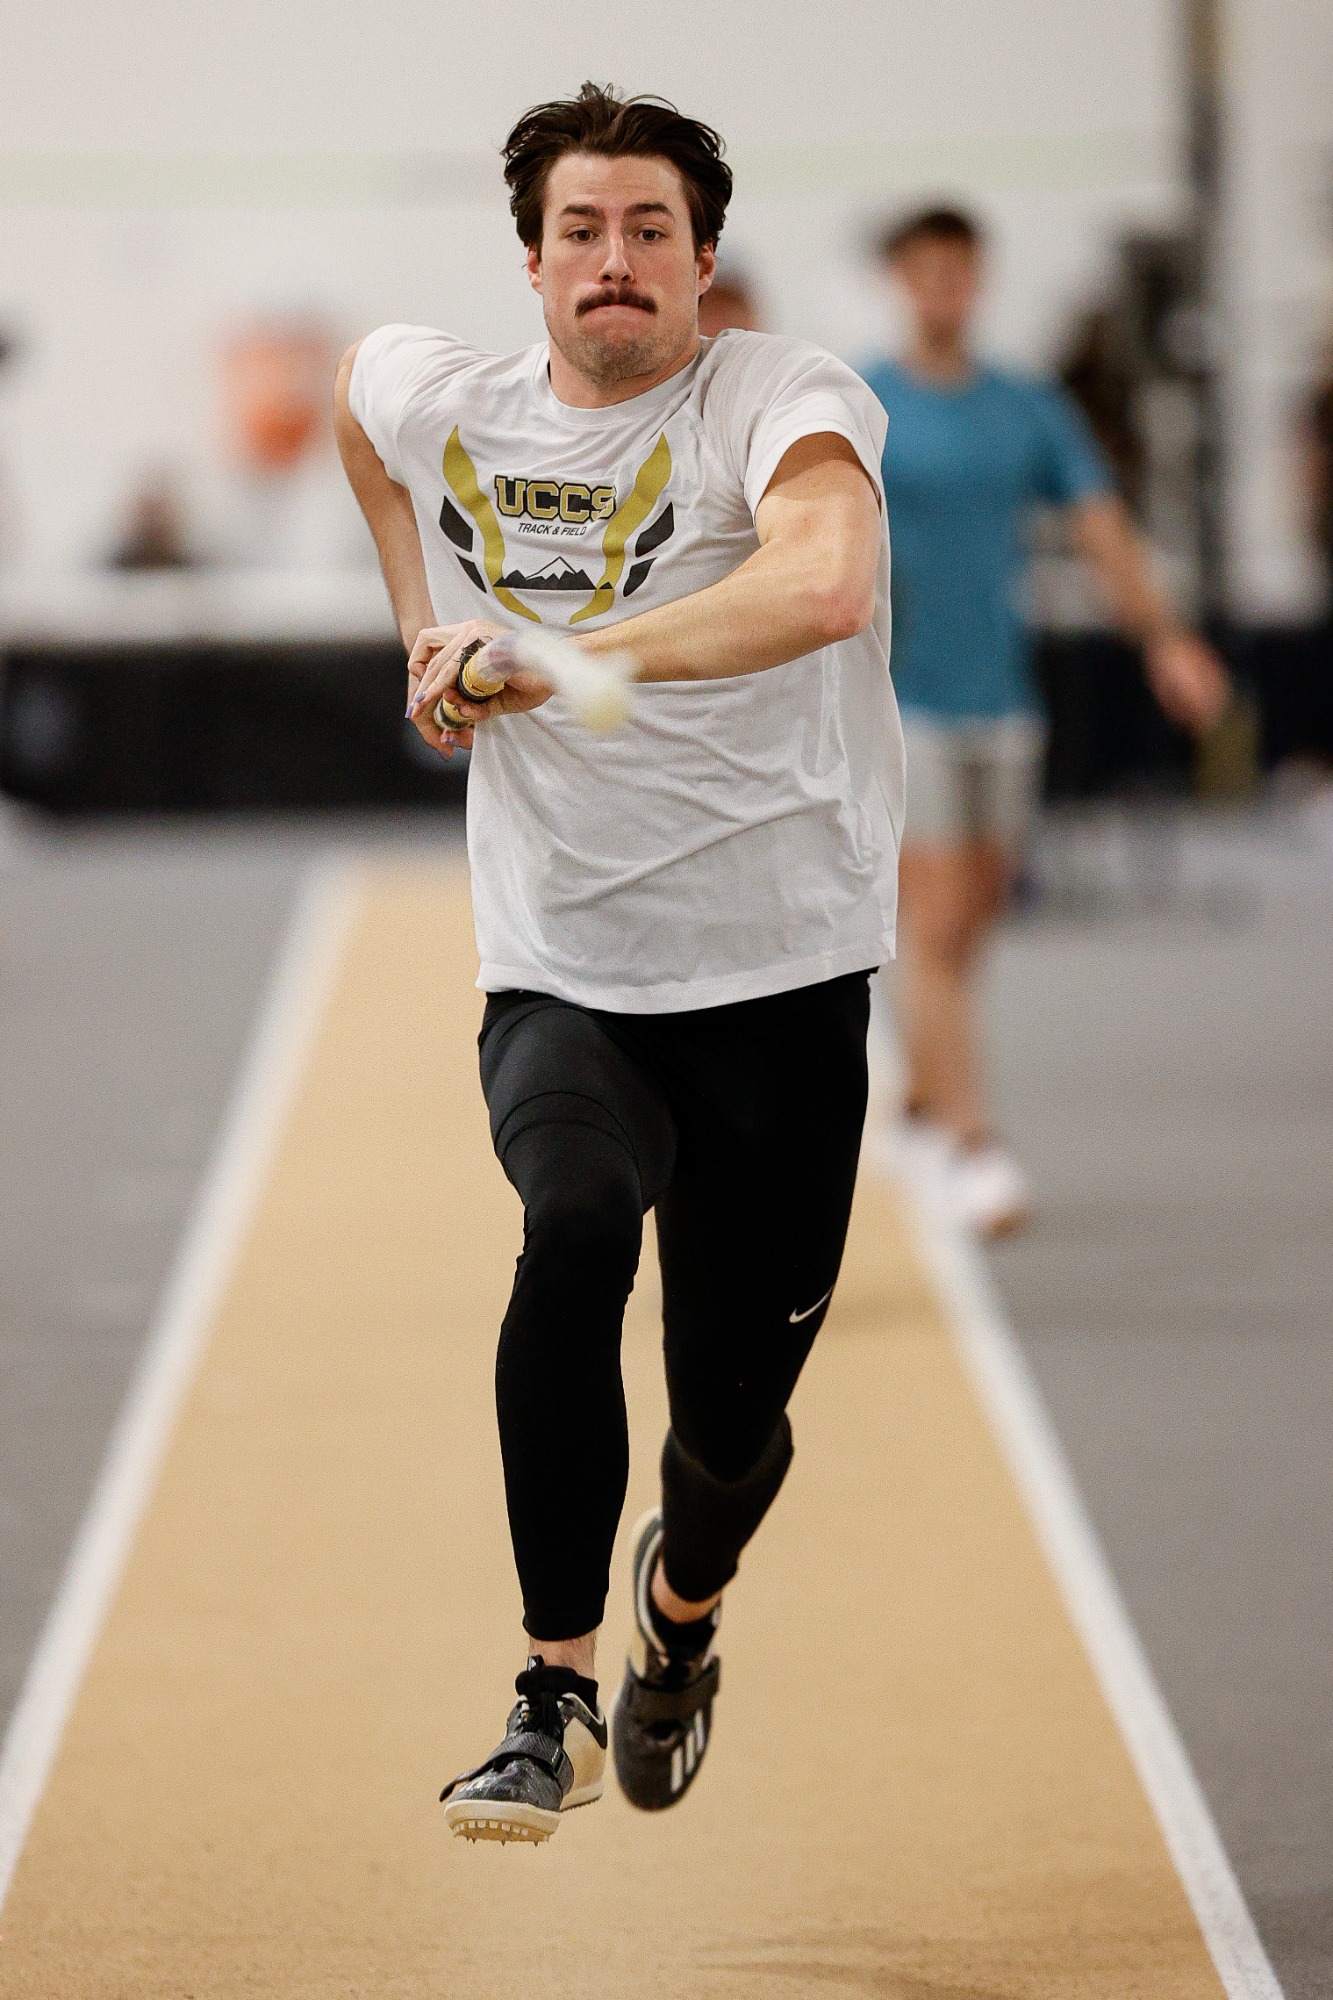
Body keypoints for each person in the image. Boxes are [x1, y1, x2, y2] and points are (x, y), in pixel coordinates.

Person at [335, 83, 900, 1844]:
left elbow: (816, 589)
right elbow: (370, 443)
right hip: (567, 969)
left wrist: (567, 658)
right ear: (530, 257)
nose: (614, 260)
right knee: (571, 1224)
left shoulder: (780, 399)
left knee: (729, 1436)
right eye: (581, 229)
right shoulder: (446, 401)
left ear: (702, 261)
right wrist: (422, 624)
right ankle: (552, 1693)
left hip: (786, 979)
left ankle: (679, 1617)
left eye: (650, 229)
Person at [860, 205, 1228, 1237]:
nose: (944, 288)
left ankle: (926, 1097)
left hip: (1001, 696)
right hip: (899, 697)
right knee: (931, 921)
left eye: (960, 271)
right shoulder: (863, 400)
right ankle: (972, 1143)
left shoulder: (1023, 406)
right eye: (926, 270)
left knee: (973, 915)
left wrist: (1165, 637)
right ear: (900, 279)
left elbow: (1099, 524)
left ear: (978, 281)